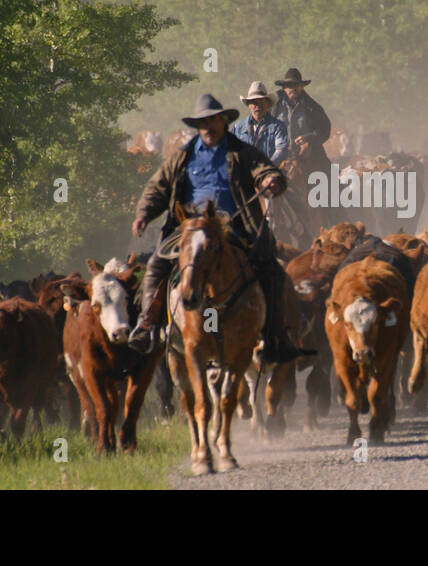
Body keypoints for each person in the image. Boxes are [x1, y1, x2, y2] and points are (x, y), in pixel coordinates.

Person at [126, 93, 307, 363]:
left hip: (235, 225)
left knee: (271, 269)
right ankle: (147, 324)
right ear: (197, 126)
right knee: (156, 265)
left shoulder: (241, 152)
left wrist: (270, 180)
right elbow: (158, 187)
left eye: (213, 121)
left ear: (223, 121)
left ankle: (275, 335)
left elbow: (265, 170)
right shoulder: (183, 156)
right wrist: (144, 214)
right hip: (188, 226)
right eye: (203, 123)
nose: (208, 127)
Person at [270, 68, 332, 178]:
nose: (293, 88)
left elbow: (325, 129)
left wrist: (309, 140)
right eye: (290, 85)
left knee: (329, 178)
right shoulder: (272, 105)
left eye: (297, 85)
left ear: (302, 87)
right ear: (284, 88)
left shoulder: (312, 107)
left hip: (307, 156)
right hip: (277, 154)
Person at [230, 81, 290, 163]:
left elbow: (281, 151)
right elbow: (231, 150)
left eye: (261, 102)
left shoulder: (278, 126)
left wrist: (266, 166)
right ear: (249, 105)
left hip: (270, 169)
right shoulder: (238, 127)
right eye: (254, 102)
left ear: (267, 104)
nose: (257, 106)